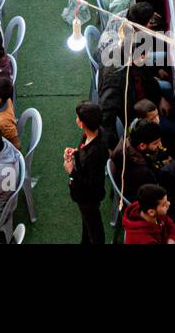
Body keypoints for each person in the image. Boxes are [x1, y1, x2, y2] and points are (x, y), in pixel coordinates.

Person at [65, 101, 109, 245]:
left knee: (95, 231)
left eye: (78, 117)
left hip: (88, 197)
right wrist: (77, 153)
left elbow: (90, 183)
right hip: (89, 195)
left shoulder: (95, 152)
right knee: (88, 223)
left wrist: (71, 171)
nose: (76, 119)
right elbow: (85, 150)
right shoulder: (96, 133)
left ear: (82, 123)